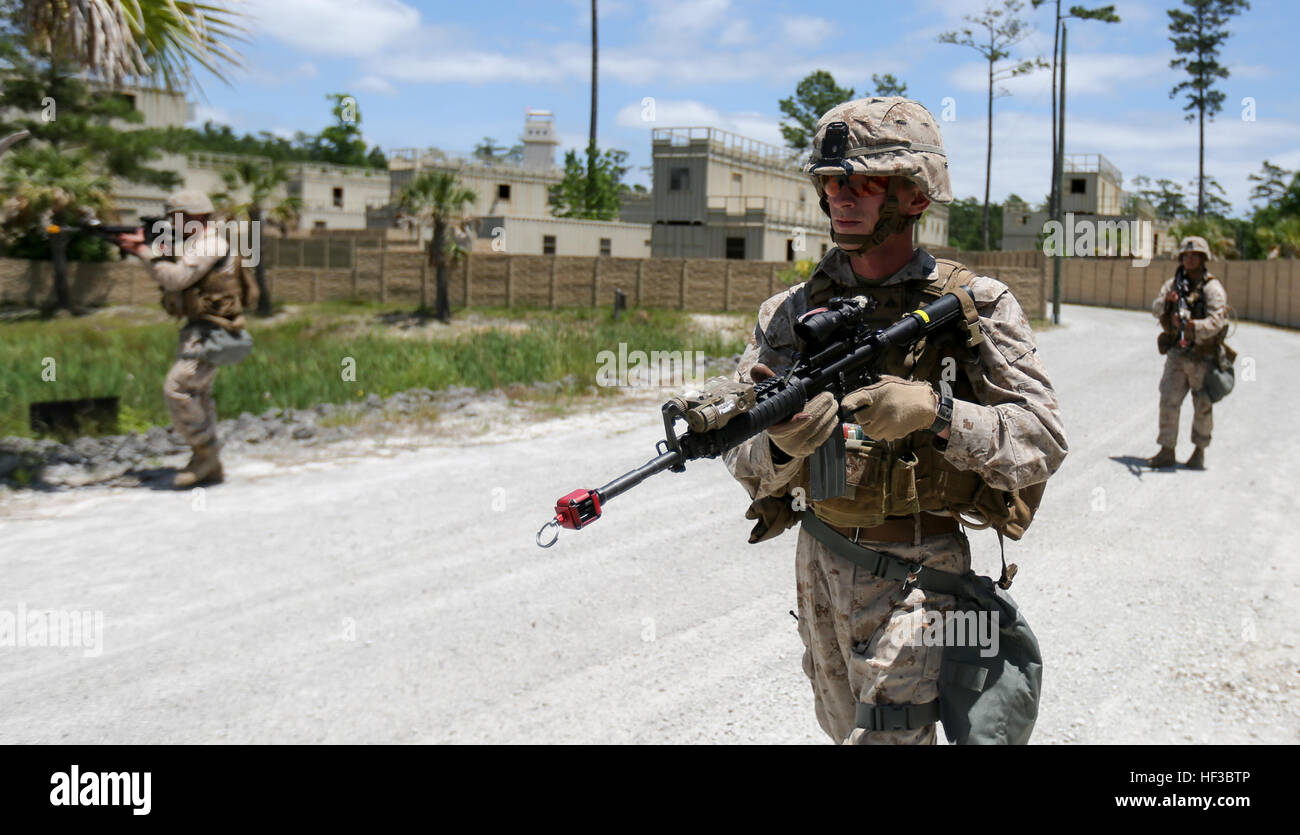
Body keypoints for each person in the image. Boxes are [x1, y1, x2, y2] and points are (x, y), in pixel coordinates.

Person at [723, 98, 1068, 744]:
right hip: (821, 558)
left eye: (864, 181)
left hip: (920, 571)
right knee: (840, 726)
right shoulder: (789, 314)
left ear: (915, 194)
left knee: (885, 734)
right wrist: (780, 446)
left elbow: (1042, 440)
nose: (841, 195)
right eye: (831, 182)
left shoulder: (975, 306)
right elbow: (737, 450)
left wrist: (938, 415)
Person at [114, 189, 257, 488]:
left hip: (213, 331)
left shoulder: (210, 245)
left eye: (174, 218)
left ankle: (205, 454)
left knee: (178, 388)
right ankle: (207, 461)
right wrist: (147, 248)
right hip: (201, 329)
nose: (171, 223)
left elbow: (177, 278)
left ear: (189, 217)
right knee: (198, 394)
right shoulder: (196, 243)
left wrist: (143, 252)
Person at [1147, 236, 1228, 470]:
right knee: (1168, 400)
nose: (1189, 260)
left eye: (1194, 256)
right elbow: (1154, 309)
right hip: (1177, 354)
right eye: (1186, 256)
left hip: (1201, 356)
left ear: (1203, 259)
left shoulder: (1212, 288)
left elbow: (1217, 321)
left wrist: (1192, 326)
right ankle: (1167, 450)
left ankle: (1199, 451)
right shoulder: (1173, 285)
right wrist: (1167, 302)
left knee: (1202, 404)